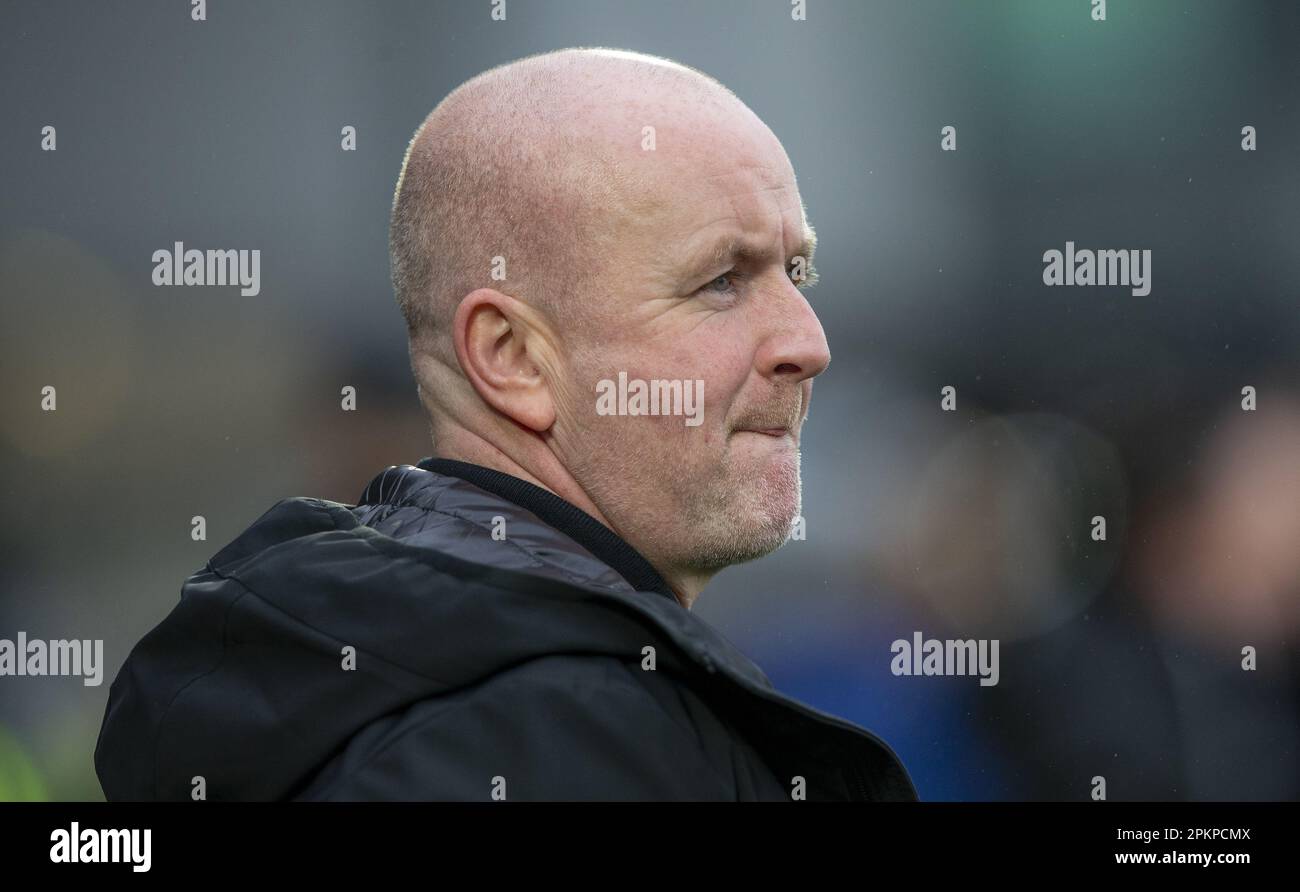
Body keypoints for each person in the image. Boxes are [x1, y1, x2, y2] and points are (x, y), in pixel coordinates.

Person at [94, 47, 916, 801]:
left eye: (796, 270)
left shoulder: (364, 676)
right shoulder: (568, 741)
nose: (810, 342)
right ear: (513, 357)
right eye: (721, 281)